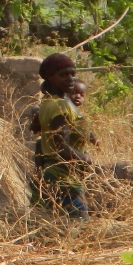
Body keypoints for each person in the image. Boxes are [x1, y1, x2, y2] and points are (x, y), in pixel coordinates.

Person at [30, 53, 95, 218]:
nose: (70, 79)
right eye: (63, 75)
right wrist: (87, 159)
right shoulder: (60, 106)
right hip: (64, 177)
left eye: (73, 74)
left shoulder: (47, 102)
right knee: (78, 227)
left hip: (54, 175)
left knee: (57, 228)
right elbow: (61, 148)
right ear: (50, 78)